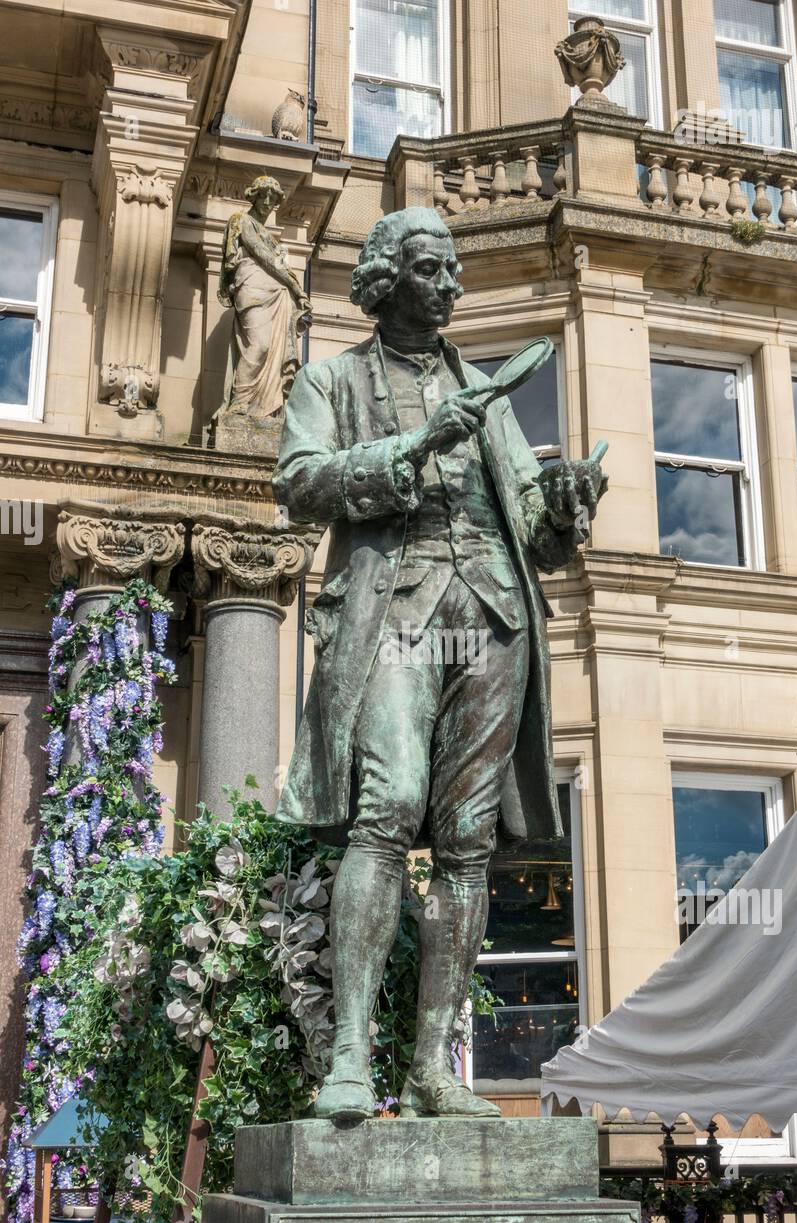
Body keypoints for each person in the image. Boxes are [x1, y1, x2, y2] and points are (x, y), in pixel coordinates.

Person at [273, 207, 605, 1120]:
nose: (453, 285)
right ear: (387, 278)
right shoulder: (332, 378)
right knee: (384, 810)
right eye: (433, 268)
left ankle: (430, 1069)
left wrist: (567, 507)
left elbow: (535, 533)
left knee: (467, 843)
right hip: (396, 617)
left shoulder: (487, 391)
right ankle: (348, 1058)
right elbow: (299, 483)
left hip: (491, 614)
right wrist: (413, 448)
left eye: (457, 269)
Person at [218, 175, 312, 419]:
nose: (267, 202)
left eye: (273, 198)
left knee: (272, 349)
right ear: (255, 195)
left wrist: (292, 289)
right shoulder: (241, 221)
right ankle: (240, 402)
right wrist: (294, 285)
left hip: (274, 293)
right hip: (251, 288)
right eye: (264, 196)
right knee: (259, 344)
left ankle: (264, 405)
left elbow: (275, 261)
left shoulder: (271, 237)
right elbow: (261, 255)